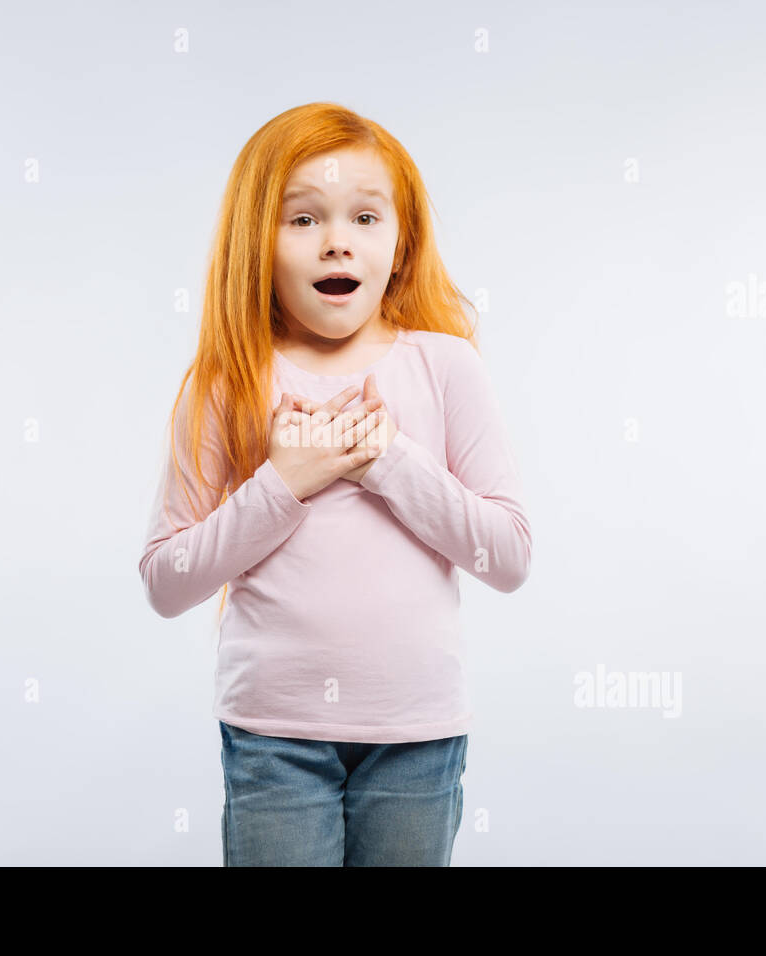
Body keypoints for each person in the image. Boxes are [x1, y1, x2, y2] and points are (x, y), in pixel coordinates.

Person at [138, 102, 532, 866]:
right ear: (260, 238)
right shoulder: (226, 383)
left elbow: (509, 557)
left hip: (416, 736)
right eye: (303, 220)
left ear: (401, 240)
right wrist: (282, 484)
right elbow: (164, 582)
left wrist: (388, 460)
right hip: (273, 738)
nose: (337, 241)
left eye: (364, 217)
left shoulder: (445, 368)